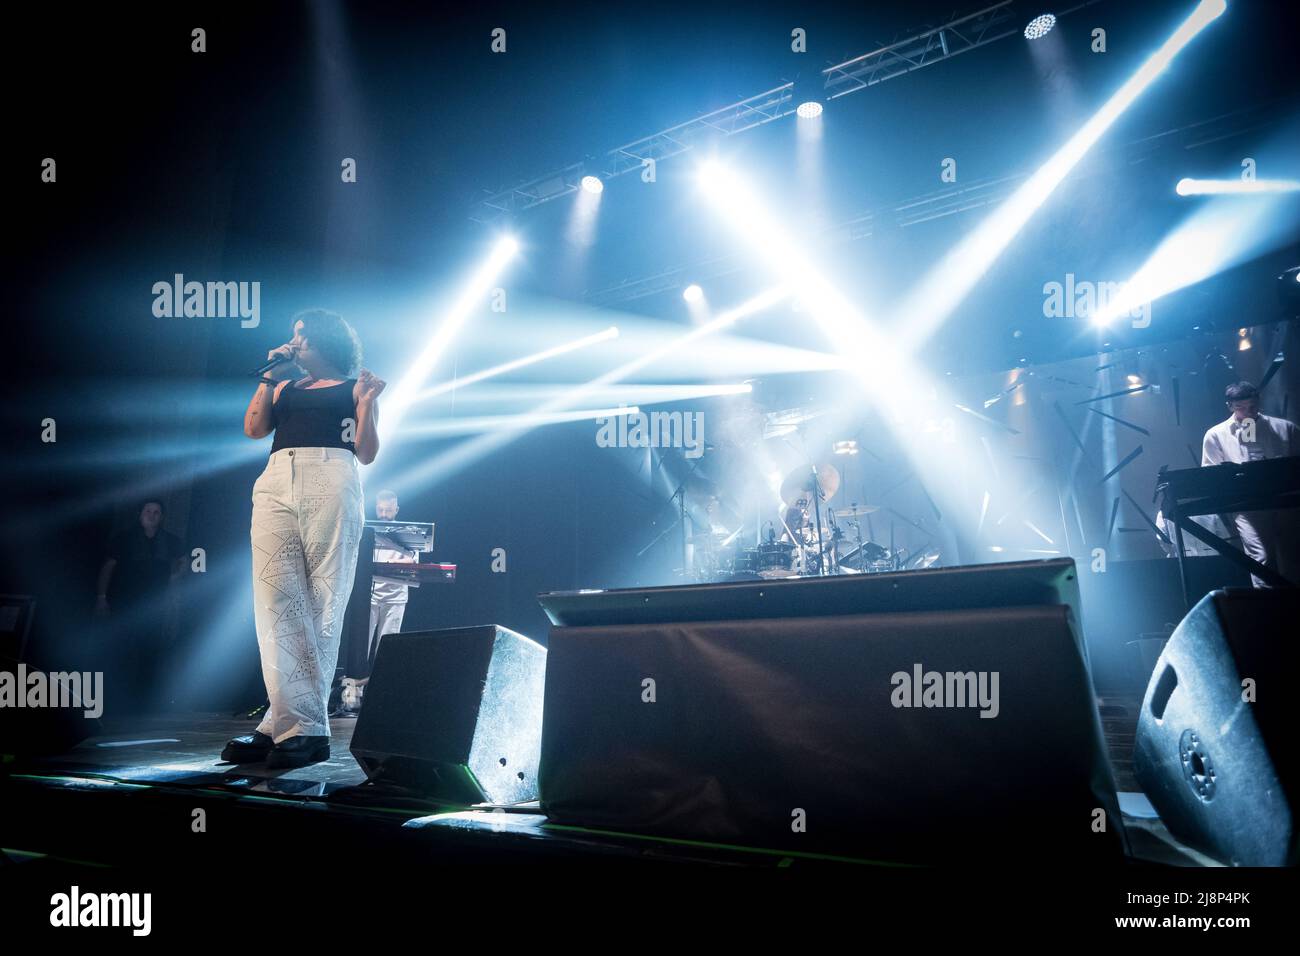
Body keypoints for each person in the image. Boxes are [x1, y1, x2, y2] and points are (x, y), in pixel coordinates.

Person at [221, 310, 385, 768]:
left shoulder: (355, 385)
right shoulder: (282, 387)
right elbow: (254, 429)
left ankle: (292, 728)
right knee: (275, 602)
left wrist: (369, 403)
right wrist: (268, 377)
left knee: (321, 604)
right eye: (293, 334)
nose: (294, 342)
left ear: (325, 340)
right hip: (276, 478)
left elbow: (368, 452)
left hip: (331, 476)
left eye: (301, 335)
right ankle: (293, 725)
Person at [1200, 381, 1300, 587]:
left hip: (1286, 504)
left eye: (1252, 407)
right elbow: (1210, 475)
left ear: (1259, 402)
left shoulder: (1286, 429)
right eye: (1240, 408)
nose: (1248, 412)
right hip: (1247, 508)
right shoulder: (1216, 435)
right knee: (1261, 559)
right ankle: (1269, 612)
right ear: (1230, 406)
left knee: (1294, 559)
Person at [94, 499, 186, 709]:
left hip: (155, 606)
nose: (152, 515)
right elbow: (108, 567)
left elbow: (184, 561)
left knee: (149, 651)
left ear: (162, 517)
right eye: (148, 510)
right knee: (121, 650)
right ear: (140, 513)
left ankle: (143, 701)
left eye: (156, 512)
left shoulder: (170, 540)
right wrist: (101, 597)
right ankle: (114, 699)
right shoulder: (123, 538)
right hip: (125, 603)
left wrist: (174, 579)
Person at [367, 489, 417, 665]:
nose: (384, 514)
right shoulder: (368, 532)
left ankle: (381, 688)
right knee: (361, 648)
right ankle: (357, 686)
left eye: (388, 510)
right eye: (381, 510)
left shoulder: (408, 533)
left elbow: (413, 561)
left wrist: (398, 560)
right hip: (370, 598)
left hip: (395, 599)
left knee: (386, 649)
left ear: (396, 509)